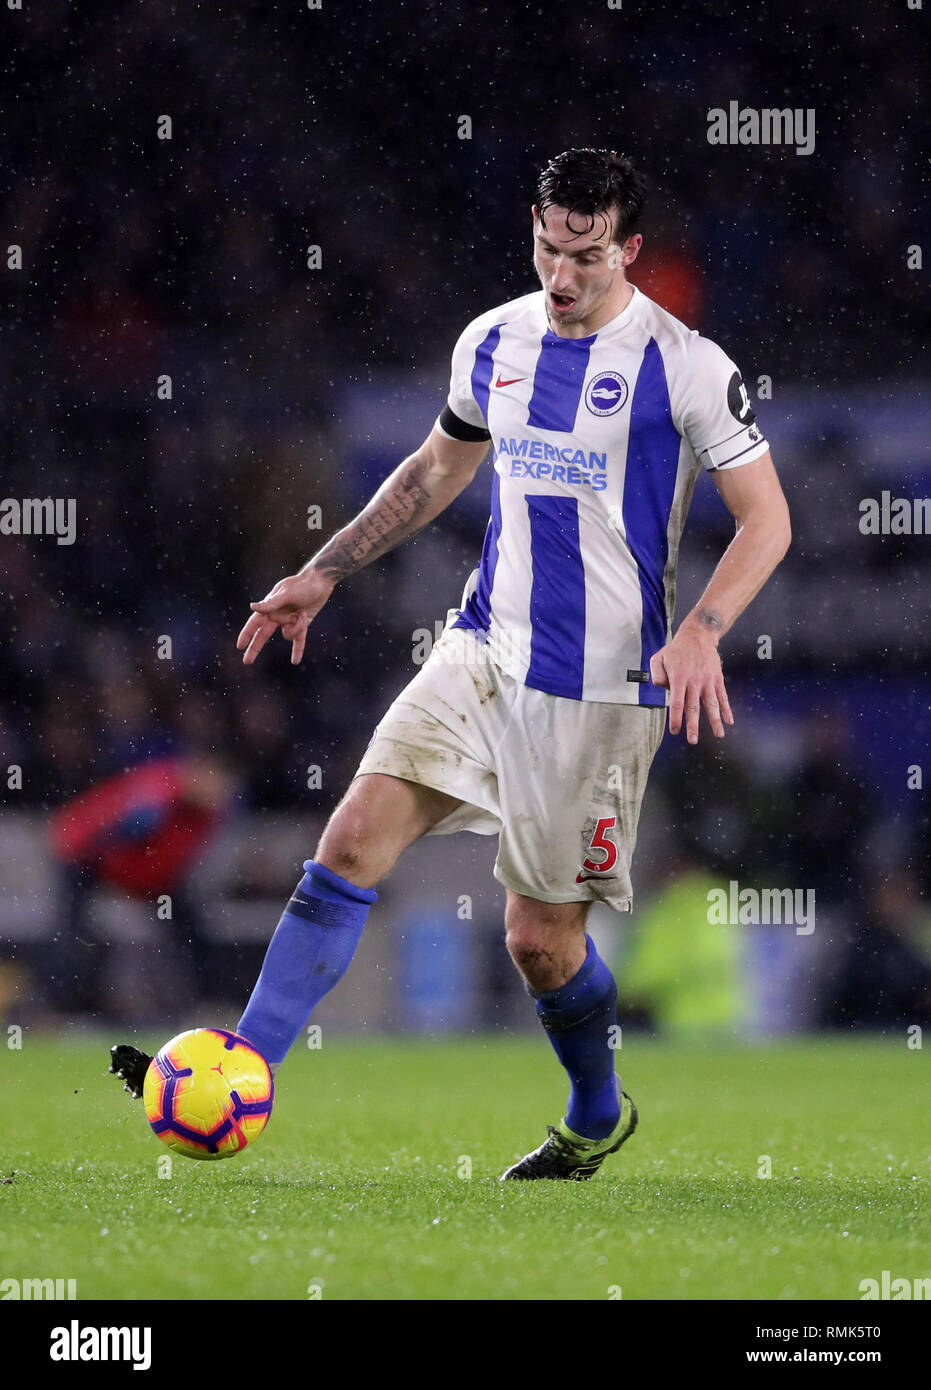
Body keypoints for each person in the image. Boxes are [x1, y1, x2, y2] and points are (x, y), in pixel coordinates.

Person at [111, 148, 791, 1180]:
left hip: (598, 691)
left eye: (589, 256)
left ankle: (597, 1110)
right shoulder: (495, 339)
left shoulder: (685, 365)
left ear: (630, 250)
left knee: (537, 941)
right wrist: (324, 566)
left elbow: (767, 520)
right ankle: (244, 1064)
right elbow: (438, 467)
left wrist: (699, 626)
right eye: (549, 247)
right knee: (348, 840)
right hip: (478, 647)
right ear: (534, 226)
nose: (563, 276)